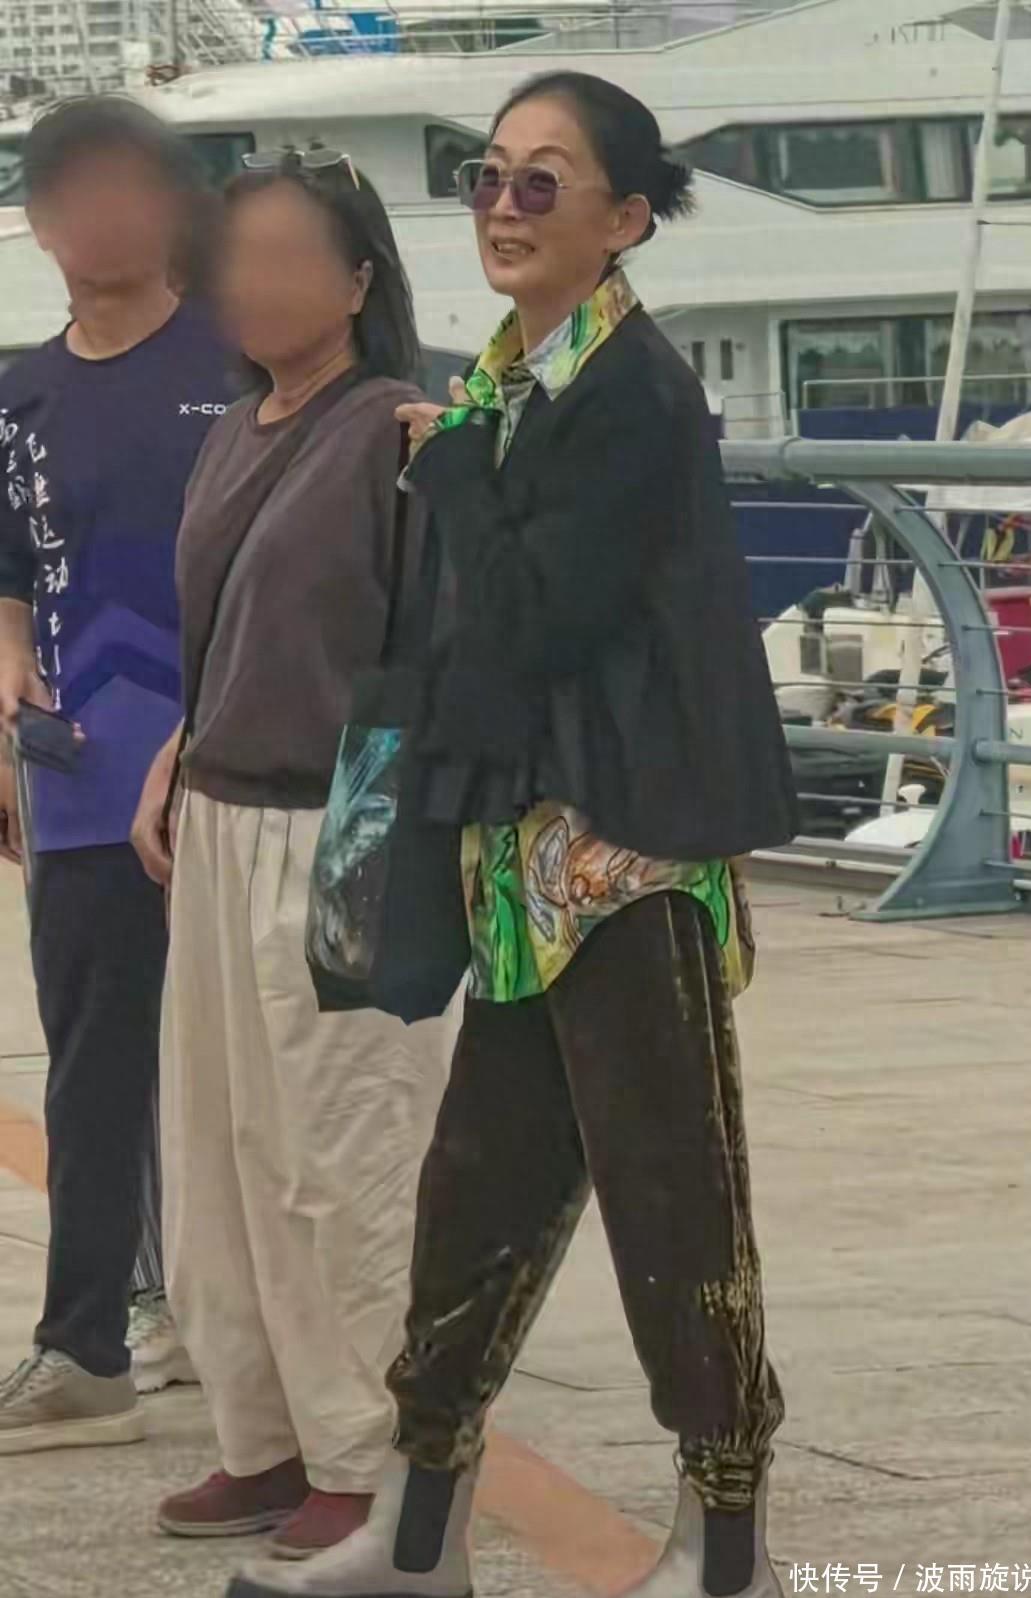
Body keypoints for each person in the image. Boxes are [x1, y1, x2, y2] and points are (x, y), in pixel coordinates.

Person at [230, 69, 798, 1598]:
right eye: (487, 175)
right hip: (519, 871)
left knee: (678, 1209)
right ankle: (418, 1540)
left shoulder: (630, 393)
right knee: (474, 1203)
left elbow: (547, 614)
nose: (502, 206)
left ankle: (726, 1551)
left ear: (625, 220)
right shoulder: (507, 383)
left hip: (629, 865)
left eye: (542, 182)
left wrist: (456, 469)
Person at [132, 150, 451, 1561]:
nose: (251, 286)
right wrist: (178, 749)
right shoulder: (236, 428)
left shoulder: (400, 432)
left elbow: (431, 645)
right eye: (234, 261)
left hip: (348, 819)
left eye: (283, 258)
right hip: (221, 820)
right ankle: (261, 1439)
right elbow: (233, 635)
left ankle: (366, 1458)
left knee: (344, 1146)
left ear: (360, 278)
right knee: (219, 1148)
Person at [0, 95, 232, 1452]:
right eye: (70, 194)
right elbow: (12, 575)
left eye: (126, 188)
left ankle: (216, 1313)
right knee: (92, 1066)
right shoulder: (20, 393)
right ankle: (83, 1346)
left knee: (241, 1064)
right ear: (38, 224)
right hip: (80, 768)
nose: (99, 217)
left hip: (234, 763)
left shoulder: (238, 363)